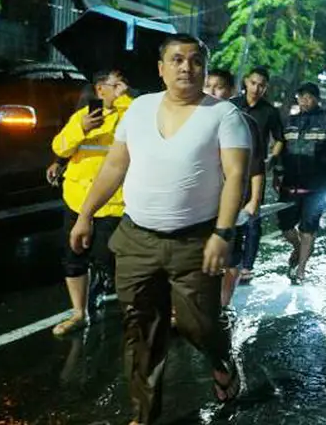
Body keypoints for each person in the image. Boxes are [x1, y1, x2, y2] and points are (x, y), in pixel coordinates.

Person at [69, 34, 251, 425]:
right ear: (160, 68)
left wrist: (223, 233)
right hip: (137, 239)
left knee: (198, 324)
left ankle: (220, 360)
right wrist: (86, 213)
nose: (186, 67)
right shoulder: (138, 110)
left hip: (195, 242)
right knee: (141, 330)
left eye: (195, 61)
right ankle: (143, 415)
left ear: (204, 68)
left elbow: (236, 176)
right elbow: (115, 166)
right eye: (177, 59)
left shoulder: (224, 115)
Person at [50, 69, 132, 336]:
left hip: (112, 202)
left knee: (109, 258)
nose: (121, 88)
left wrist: (122, 99)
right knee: (72, 257)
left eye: (123, 83)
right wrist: (80, 128)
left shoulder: (130, 114)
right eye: (115, 84)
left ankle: (135, 313)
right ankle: (79, 312)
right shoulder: (82, 117)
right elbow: (60, 147)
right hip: (76, 199)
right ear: (100, 90)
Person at [276, 81, 326, 283]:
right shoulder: (290, 121)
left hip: (317, 184)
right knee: (285, 225)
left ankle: (301, 270)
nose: (305, 100)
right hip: (290, 184)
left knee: (309, 226)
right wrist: (278, 173)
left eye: (309, 97)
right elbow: (280, 151)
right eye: (302, 96)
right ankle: (297, 247)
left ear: (317, 99)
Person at [206, 68, 265, 307]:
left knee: (230, 257)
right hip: (200, 201)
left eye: (218, 86)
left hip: (233, 200)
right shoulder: (191, 119)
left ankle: (223, 304)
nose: (212, 91)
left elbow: (257, 166)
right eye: (207, 85)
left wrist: (254, 201)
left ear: (230, 91)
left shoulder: (245, 123)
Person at [229, 66, 284, 282]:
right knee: (229, 213)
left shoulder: (269, 112)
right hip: (230, 166)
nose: (256, 88)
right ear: (246, 82)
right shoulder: (232, 106)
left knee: (252, 216)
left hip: (256, 169)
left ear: (265, 88)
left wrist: (272, 158)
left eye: (261, 85)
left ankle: (247, 265)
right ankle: (229, 258)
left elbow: (279, 138)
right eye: (253, 83)